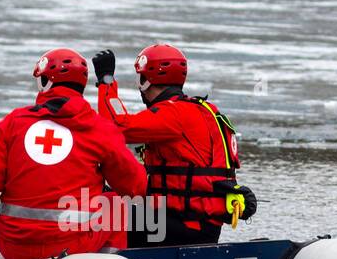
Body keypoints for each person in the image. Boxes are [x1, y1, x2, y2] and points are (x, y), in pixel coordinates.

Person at [0, 48, 147, 259]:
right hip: (71, 246)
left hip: (14, 248)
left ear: (45, 83)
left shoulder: (14, 123)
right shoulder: (100, 129)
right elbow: (136, 187)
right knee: (115, 203)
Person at [93, 43, 256, 247]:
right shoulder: (205, 110)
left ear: (145, 80)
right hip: (200, 226)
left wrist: (106, 81)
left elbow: (116, 126)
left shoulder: (174, 114)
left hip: (181, 226)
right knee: (113, 196)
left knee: (100, 208)